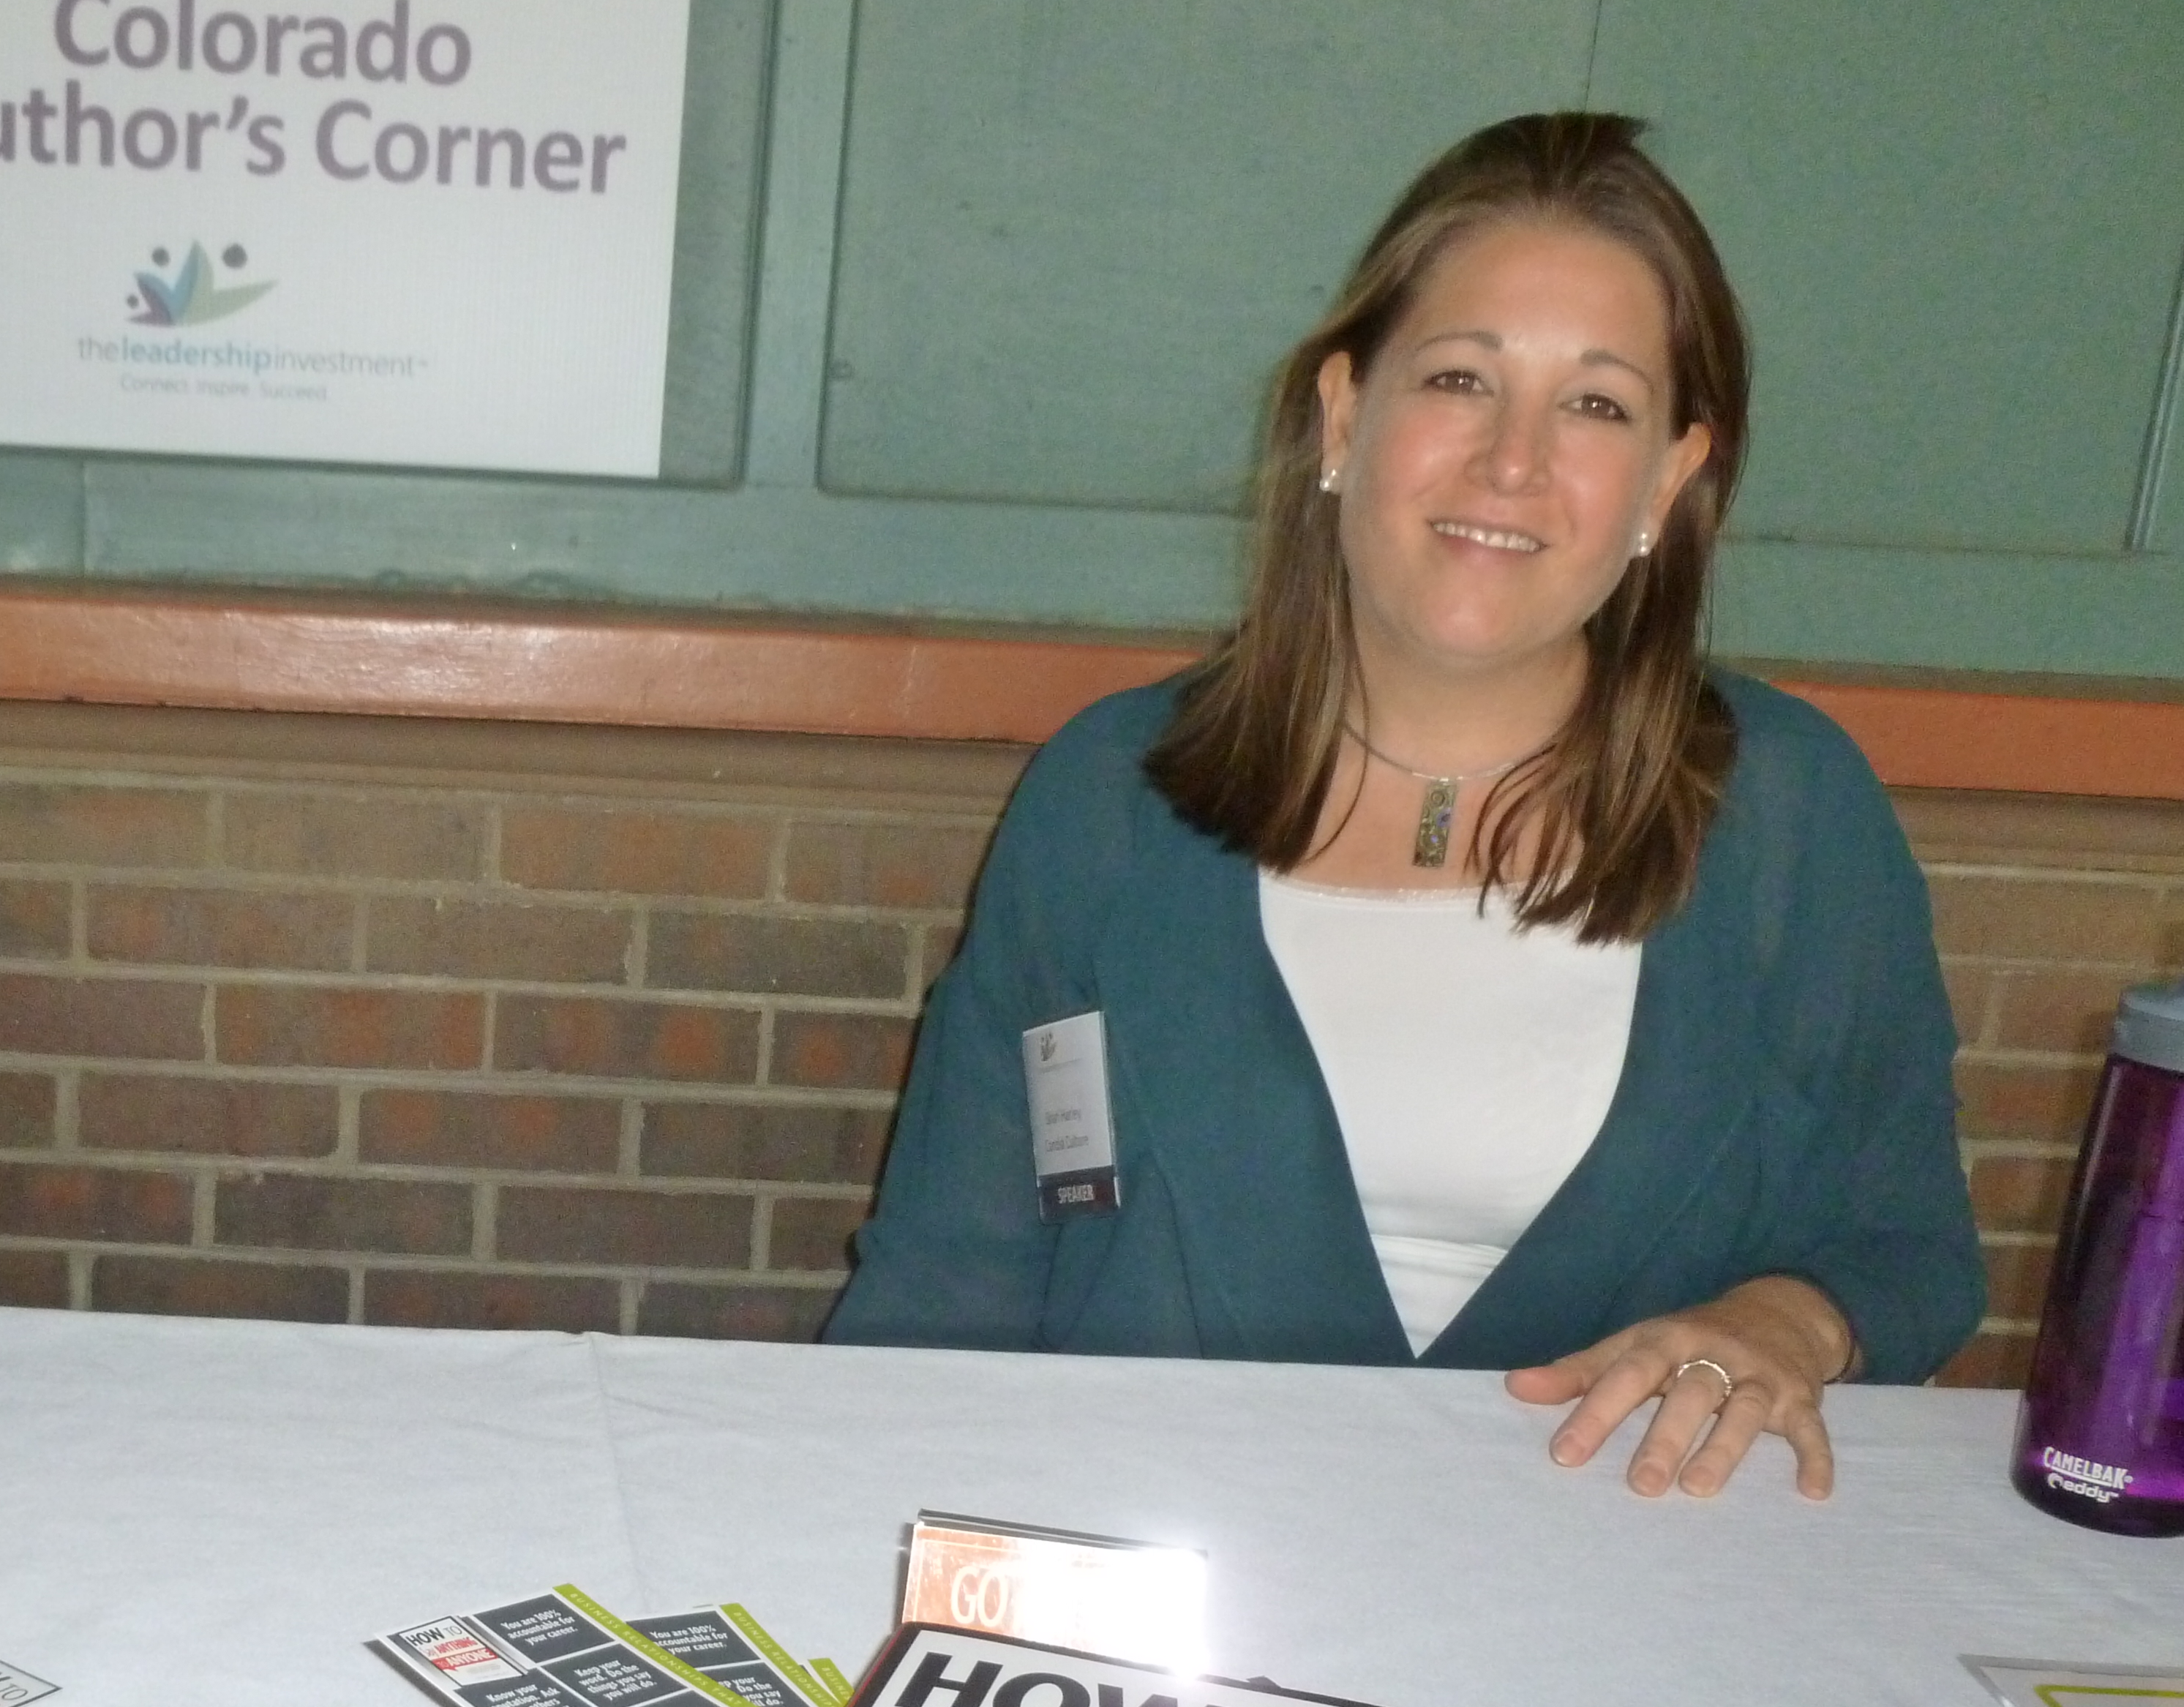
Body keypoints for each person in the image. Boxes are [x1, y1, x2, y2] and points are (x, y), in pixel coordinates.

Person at [826, 112, 1981, 1501]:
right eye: (1459, 378)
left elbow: (1911, 1251)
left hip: (1615, 1581)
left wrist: (1783, 1322)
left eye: (1596, 406)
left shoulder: (1789, 816)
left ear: (1667, 483)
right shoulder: (1109, 799)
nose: (1512, 460)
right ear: (1342, 417)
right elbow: (940, 1287)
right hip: (1144, 1569)